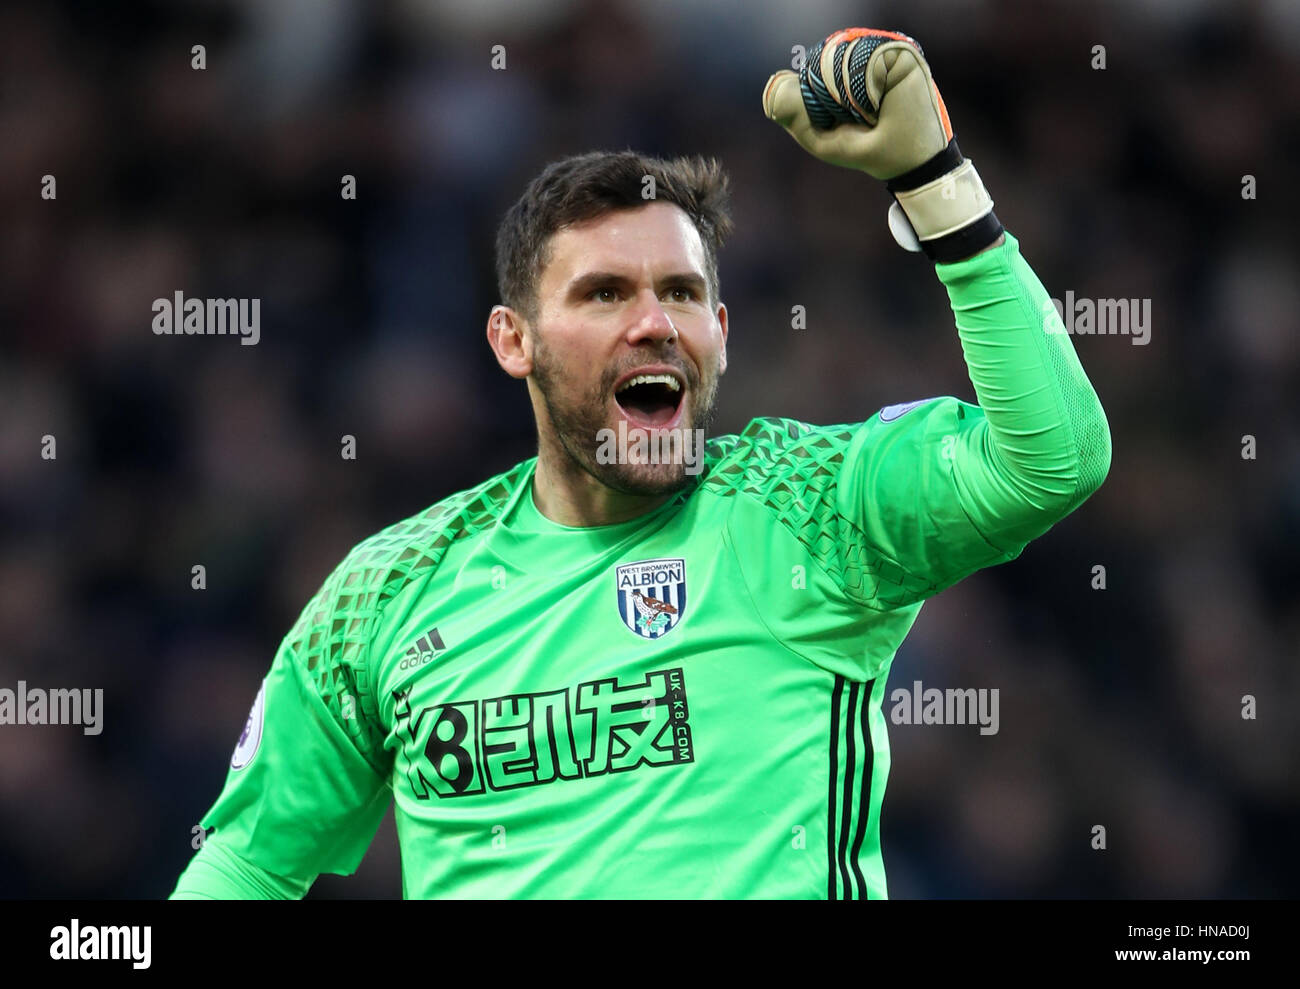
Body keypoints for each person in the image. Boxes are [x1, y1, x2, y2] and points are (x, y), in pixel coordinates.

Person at [172, 29, 1110, 899]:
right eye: (605, 292)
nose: (654, 322)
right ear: (514, 341)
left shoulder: (807, 510)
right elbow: (249, 867)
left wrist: (933, 179)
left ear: (721, 332)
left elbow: (1052, 460)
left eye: (683, 293)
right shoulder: (388, 592)